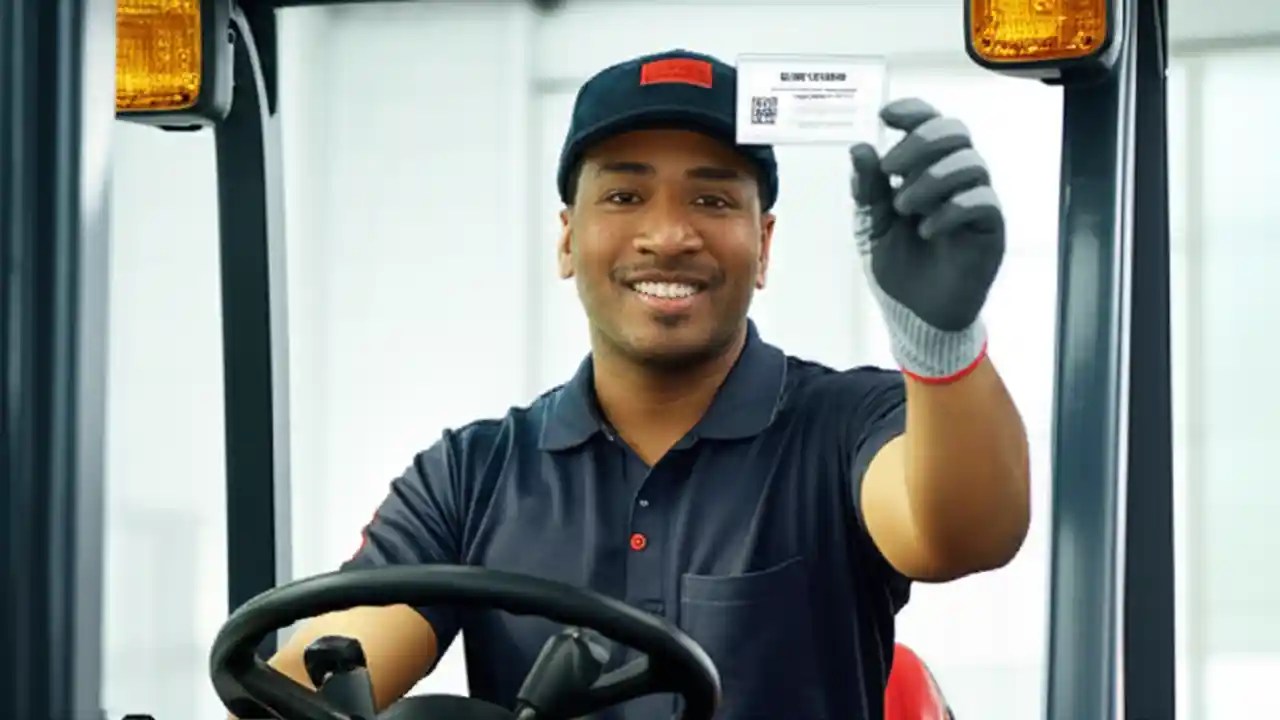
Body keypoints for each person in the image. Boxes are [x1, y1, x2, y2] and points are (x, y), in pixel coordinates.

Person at [250, 48, 1030, 720]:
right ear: (567, 238)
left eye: (712, 199)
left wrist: (939, 341)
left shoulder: (846, 423)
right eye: (624, 197)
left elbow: (963, 534)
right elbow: (329, 669)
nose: (668, 235)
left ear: (762, 247)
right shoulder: (469, 474)